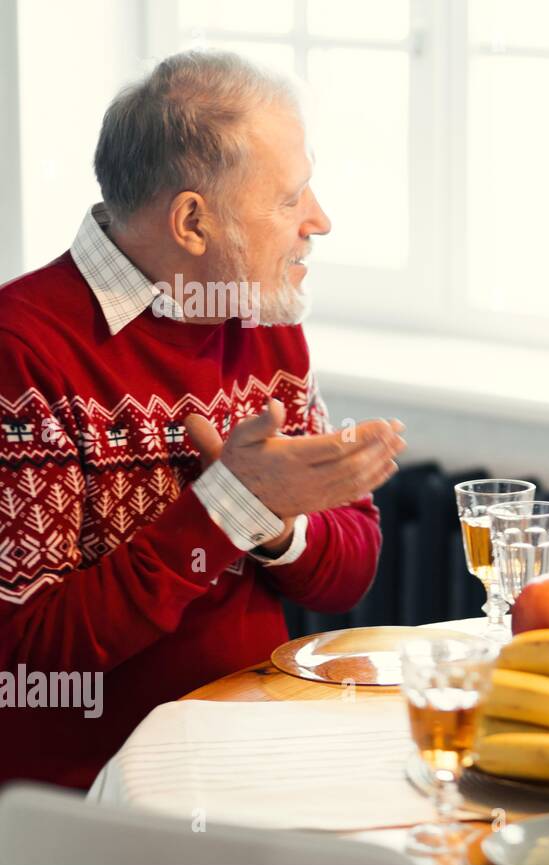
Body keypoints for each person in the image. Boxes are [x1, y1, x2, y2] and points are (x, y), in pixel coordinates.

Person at [0, 50, 405, 787]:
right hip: (98, 803)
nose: (320, 221)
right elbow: (29, 656)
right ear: (193, 221)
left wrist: (276, 523)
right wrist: (224, 507)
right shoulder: (22, 351)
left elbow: (350, 570)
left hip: (254, 759)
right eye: (290, 200)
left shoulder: (261, 313)